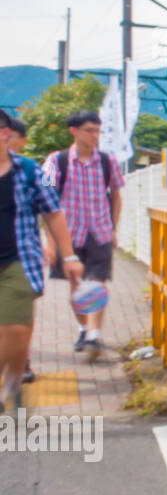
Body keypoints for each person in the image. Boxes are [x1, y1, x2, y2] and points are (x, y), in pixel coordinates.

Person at [0, 110, 84, 411]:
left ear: (5, 134)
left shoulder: (33, 171)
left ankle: (11, 379)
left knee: (16, 329)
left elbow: (54, 212)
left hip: (18, 260)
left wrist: (68, 255)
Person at [40, 110, 124, 361]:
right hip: (70, 236)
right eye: (89, 130)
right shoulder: (56, 161)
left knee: (97, 284)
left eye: (98, 131)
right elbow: (45, 201)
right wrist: (50, 240)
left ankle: (93, 335)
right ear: (74, 131)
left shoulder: (108, 161)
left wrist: (113, 228)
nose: (95, 136)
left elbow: (117, 196)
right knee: (78, 288)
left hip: (99, 232)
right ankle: (83, 328)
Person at [5, 117, 37, 384]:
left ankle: (20, 363)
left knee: (18, 318)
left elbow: (51, 205)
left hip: (21, 257)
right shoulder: (56, 162)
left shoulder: (33, 169)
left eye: (13, 136)